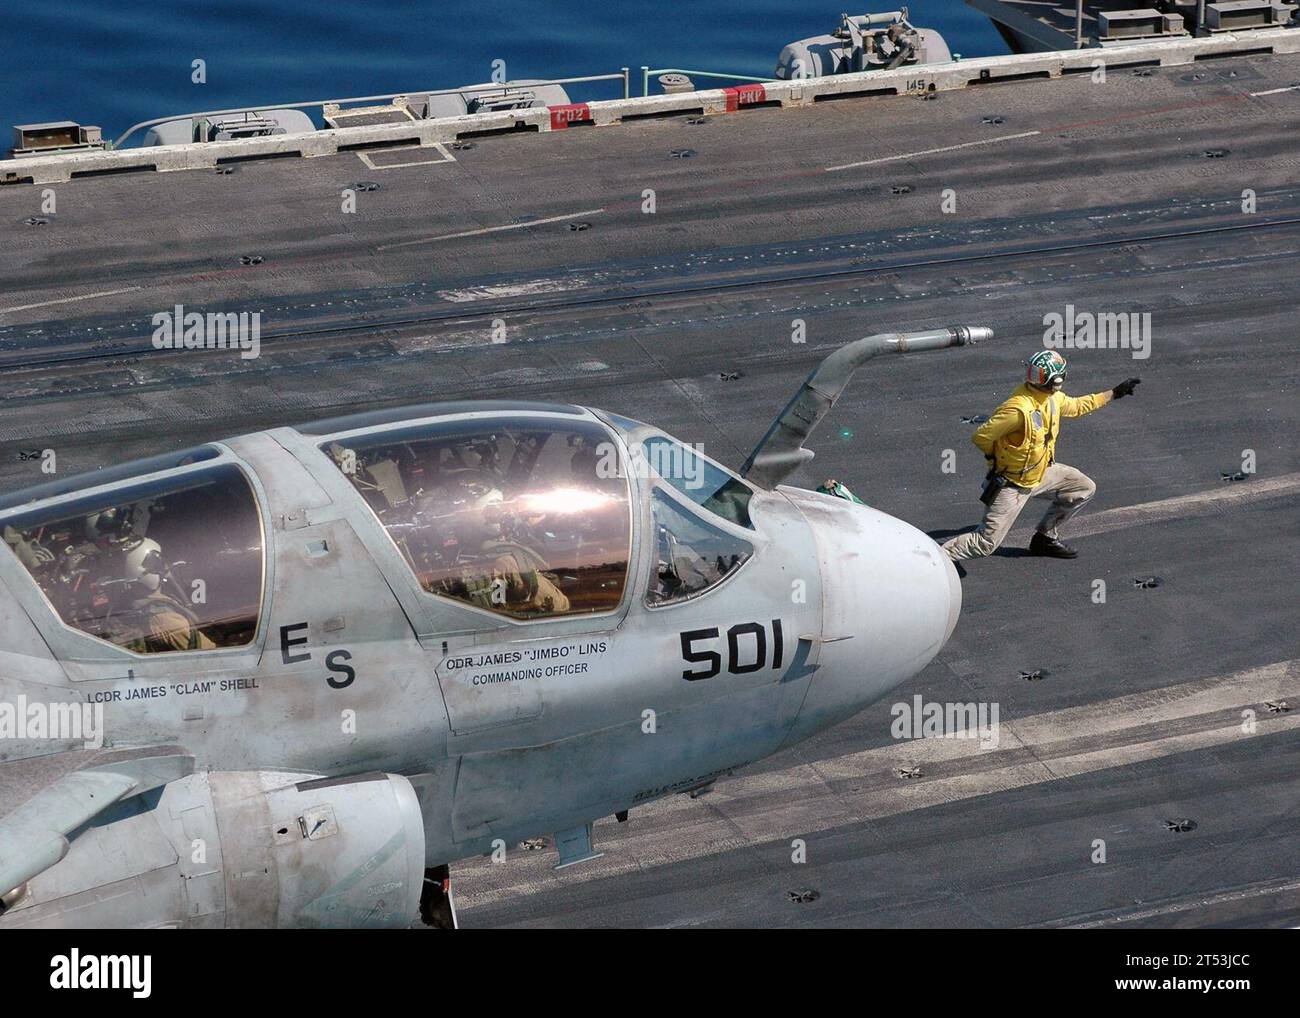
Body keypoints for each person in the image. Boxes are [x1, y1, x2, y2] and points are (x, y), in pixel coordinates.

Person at [942, 350, 1140, 562]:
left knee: (1083, 488)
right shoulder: (1017, 410)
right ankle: (934, 559)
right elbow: (981, 437)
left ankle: (1045, 538)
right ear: (1056, 380)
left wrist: (1114, 393)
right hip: (1012, 485)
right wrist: (996, 462)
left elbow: (1076, 406)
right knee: (984, 544)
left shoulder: (1051, 398)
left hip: (1040, 473)